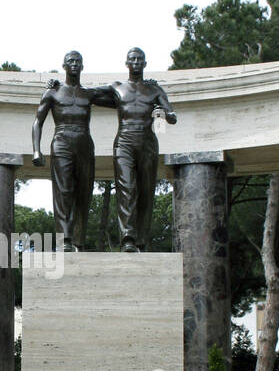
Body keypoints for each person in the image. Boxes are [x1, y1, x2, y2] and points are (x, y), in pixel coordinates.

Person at [31, 50, 104, 251]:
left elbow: (119, 98)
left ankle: (78, 241)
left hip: (84, 141)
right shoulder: (53, 92)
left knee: (84, 193)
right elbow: (38, 121)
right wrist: (36, 150)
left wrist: (144, 87)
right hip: (61, 140)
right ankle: (65, 240)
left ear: (82, 66)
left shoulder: (89, 94)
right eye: (70, 61)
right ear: (63, 66)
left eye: (78, 61)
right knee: (63, 192)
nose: (74, 64)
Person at [107, 47, 176, 252]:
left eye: (140, 59)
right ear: (126, 63)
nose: (136, 62)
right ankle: (128, 238)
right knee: (126, 189)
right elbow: (87, 94)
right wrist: (56, 86)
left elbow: (172, 116)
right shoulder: (116, 88)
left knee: (146, 191)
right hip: (124, 142)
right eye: (132, 59)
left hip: (147, 141)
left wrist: (163, 112)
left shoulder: (154, 90)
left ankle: (142, 240)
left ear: (145, 64)